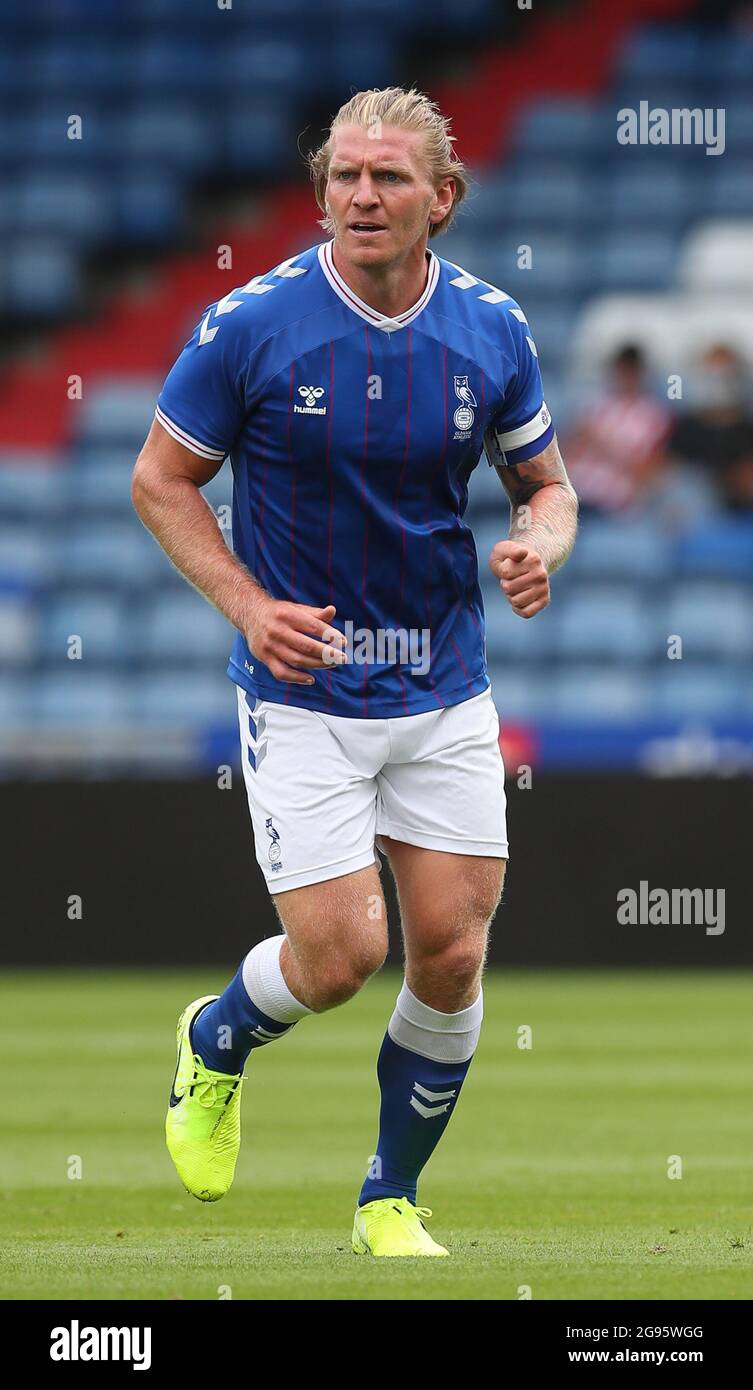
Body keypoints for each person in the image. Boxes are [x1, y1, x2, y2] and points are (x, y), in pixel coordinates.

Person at [131, 86, 578, 1258]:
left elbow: (548, 484)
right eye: (342, 176)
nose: (360, 196)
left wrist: (540, 545)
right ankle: (218, 1039)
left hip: (443, 686)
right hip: (306, 691)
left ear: (443, 198)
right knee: (342, 958)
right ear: (320, 189)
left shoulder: (494, 327)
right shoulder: (252, 325)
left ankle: (389, 1198)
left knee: (453, 947)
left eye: (387, 178)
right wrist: (247, 603)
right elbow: (159, 481)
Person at [565, 344, 669, 515]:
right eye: (622, 371)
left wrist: (602, 447)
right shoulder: (593, 404)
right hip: (577, 496)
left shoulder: (655, 416)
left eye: (630, 372)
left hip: (616, 505)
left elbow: (649, 472)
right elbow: (569, 450)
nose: (625, 377)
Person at [667, 344, 753, 513]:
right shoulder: (686, 427)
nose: (717, 384)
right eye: (712, 375)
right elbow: (667, 472)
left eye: (725, 375)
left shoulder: (747, 428)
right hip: (693, 514)